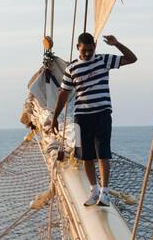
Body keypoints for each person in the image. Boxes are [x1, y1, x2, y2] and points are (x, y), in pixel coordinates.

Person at [48, 32, 136, 206]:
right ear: (77, 48)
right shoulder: (71, 69)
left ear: (95, 46)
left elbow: (132, 59)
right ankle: (94, 190)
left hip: (102, 113)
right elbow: (63, 94)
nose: (88, 53)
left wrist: (117, 43)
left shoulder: (103, 60)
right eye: (85, 50)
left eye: (91, 49)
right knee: (86, 156)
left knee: (103, 153)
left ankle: (105, 193)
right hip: (82, 116)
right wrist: (55, 117)